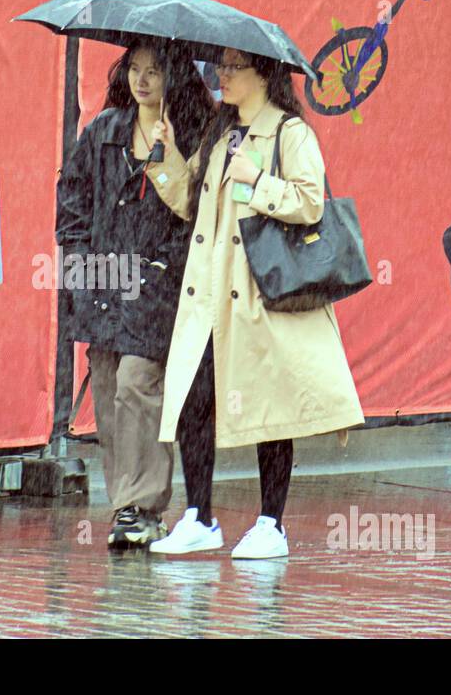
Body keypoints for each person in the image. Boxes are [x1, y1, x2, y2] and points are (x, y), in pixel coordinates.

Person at [143, 47, 365, 559]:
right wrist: (166, 156)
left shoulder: (291, 134)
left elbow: (310, 202)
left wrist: (258, 180)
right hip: (210, 300)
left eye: (232, 67)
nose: (221, 76)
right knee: (195, 402)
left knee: (273, 407)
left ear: (262, 74)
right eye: (219, 67)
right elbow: (187, 201)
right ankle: (199, 515)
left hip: (260, 296)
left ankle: (272, 523)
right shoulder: (221, 138)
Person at [55, 38, 213, 549]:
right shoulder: (104, 131)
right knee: (108, 391)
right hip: (102, 282)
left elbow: (198, 215)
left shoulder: (192, 136)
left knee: (137, 382)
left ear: (174, 78)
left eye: (153, 72)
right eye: (134, 70)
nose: (142, 81)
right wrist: (78, 256)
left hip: (158, 288)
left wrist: (166, 262)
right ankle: (125, 507)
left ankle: (144, 505)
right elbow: (72, 195)